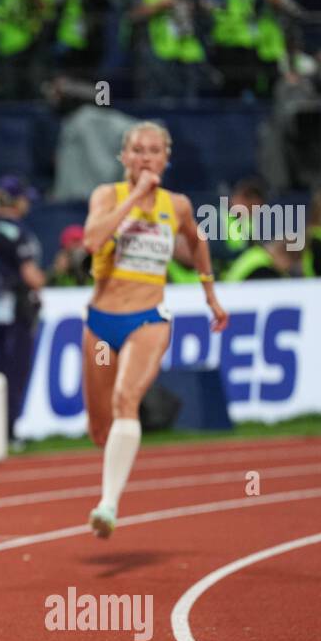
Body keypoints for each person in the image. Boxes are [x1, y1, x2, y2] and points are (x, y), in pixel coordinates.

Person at [80, 122, 228, 538]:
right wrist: (136, 200)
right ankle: (110, 475)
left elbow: (198, 243)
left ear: (166, 158)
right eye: (137, 150)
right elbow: (92, 239)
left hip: (148, 318)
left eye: (154, 151)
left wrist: (210, 295)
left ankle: (107, 506)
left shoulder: (177, 205)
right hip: (101, 320)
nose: (145, 157)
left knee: (126, 400)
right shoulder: (108, 196)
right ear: (124, 157)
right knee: (100, 429)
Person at [0, 189, 44, 445]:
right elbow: (30, 273)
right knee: (16, 368)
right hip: (17, 304)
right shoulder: (15, 230)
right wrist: (44, 280)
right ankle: (8, 429)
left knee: (1, 366)